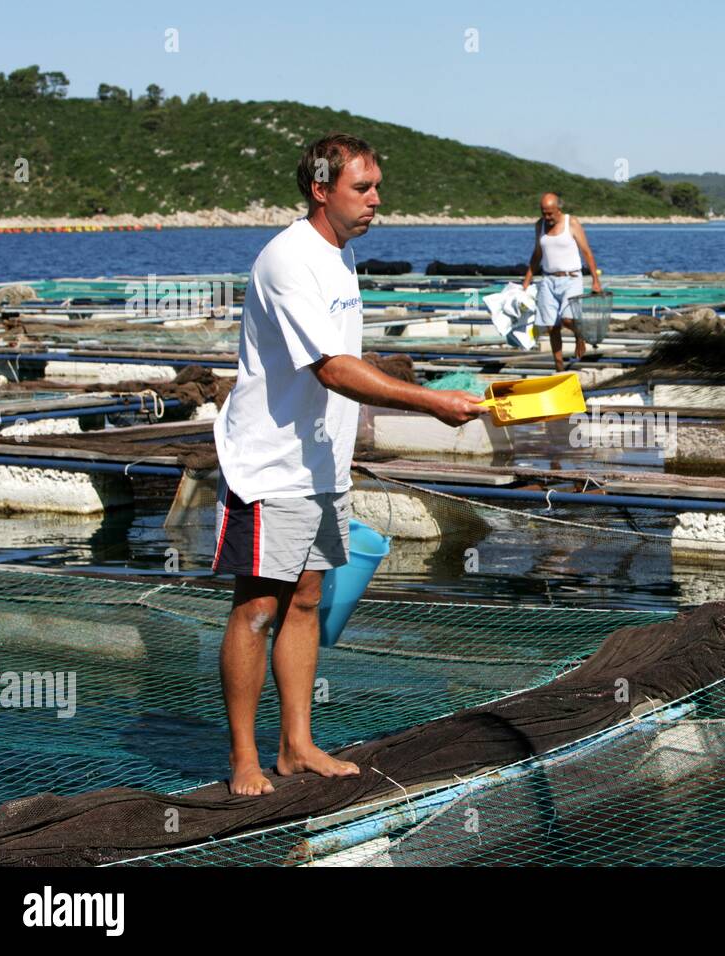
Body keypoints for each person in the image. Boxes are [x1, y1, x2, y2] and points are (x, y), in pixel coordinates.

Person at [212, 132, 488, 796]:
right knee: (257, 609)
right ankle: (245, 758)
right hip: (270, 465)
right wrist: (430, 403)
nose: (376, 200)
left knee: (305, 600)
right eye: (362, 188)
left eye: (376, 187)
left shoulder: (341, 257)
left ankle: (297, 745)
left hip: (321, 464)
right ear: (320, 188)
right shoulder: (288, 260)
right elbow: (333, 368)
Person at [521, 192, 603, 371]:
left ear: (558, 209)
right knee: (552, 326)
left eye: (550, 213)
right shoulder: (539, 226)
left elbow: (587, 252)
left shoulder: (571, 223)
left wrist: (595, 281)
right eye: (543, 212)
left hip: (571, 278)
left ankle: (580, 334)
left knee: (567, 319)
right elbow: (537, 254)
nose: (547, 217)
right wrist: (527, 280)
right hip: (549, 279)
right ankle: (558, 365)